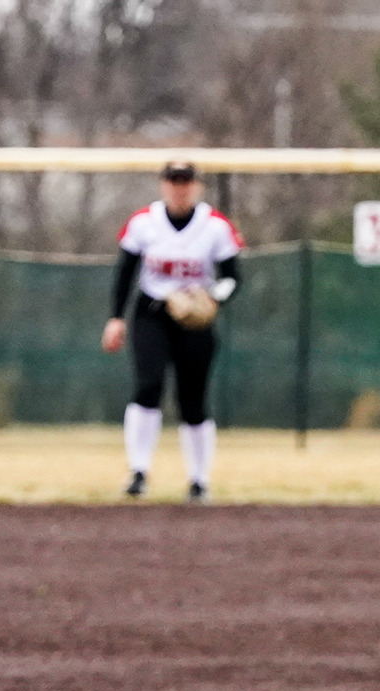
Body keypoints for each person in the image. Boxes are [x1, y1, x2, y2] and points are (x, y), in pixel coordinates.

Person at [102, 160, 243, 503]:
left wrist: (212, 298)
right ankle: (138, 471)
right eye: (173, 181)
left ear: (197, 186)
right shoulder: (144, 223)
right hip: (152, 311)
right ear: (163, 185)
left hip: (195, 320)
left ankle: (199, 480)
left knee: (192, 399)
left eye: (186, 181)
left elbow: (232, 276)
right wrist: (116, 318)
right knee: (148, 386)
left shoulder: (215, 226)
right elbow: (126, 272)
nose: (180, 188)